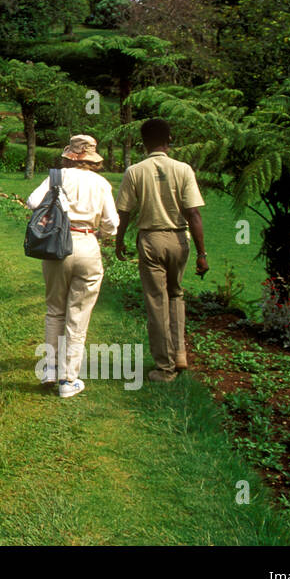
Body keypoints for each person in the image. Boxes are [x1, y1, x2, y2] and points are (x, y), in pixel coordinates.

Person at [114, 118, 209, 384]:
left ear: (143, 143)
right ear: (169, 139)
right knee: (176, 294)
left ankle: (164, 368)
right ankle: (179, 354)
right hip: (180, 240)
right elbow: (194, 213)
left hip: (150, 240)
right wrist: (202, 254)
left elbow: (124, 211)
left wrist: (119, 241)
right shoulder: (183, 169)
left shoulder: (135, 171)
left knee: (157, 301)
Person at [26, 134, 118, 398]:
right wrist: (98, 230)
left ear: (70, 155)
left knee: (55, 309)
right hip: (87, 244)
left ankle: (50, 369)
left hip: (56, 246)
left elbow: (33, 202)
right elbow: (112, 225)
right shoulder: (101, 183)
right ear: (92, 158)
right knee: (78, 314)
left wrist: (57, 208)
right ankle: (68, 380)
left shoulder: (57, 177)